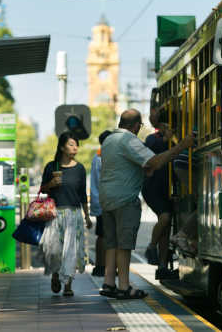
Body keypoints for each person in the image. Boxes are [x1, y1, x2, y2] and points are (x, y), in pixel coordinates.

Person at [99, 109, 193, 300]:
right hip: (124, 199)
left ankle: (109, 283)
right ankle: (124, 287)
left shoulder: (109, 140)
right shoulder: (129, 140)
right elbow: (155, 162)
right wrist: (181, 146)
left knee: (112, 243)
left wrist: (145, 168)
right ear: (136, 126)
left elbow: (130, 164)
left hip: (107, 198)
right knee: (124, 245)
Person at [39, 131, 92, 296]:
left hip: (74, 214)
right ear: (62, 147)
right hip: (55, 214)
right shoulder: (51, 166)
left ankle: (68, 285)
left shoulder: (80, 169)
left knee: (71, 251)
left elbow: (83, 195)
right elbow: (42, 189)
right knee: (54, 250)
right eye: (71, 144)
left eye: (76, 144)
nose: (75, 147)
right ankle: (56, 274)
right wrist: (51, 184)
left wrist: (87, 216)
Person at [142, 108, 178, 280]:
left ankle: (162, 265)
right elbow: (151, 153)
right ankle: (151, 246)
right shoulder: (151, 139)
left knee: (166, 227)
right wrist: (166, 139)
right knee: (165, 217)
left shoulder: (176, 138)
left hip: (167, 187)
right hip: (152, 187)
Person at [90, 130, 112, 277]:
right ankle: (101, 266)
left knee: (102, 234)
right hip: (105, 202)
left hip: (100, 201)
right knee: (105, 235)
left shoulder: (98, 156)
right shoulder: (102, 158)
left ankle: (100, 266)